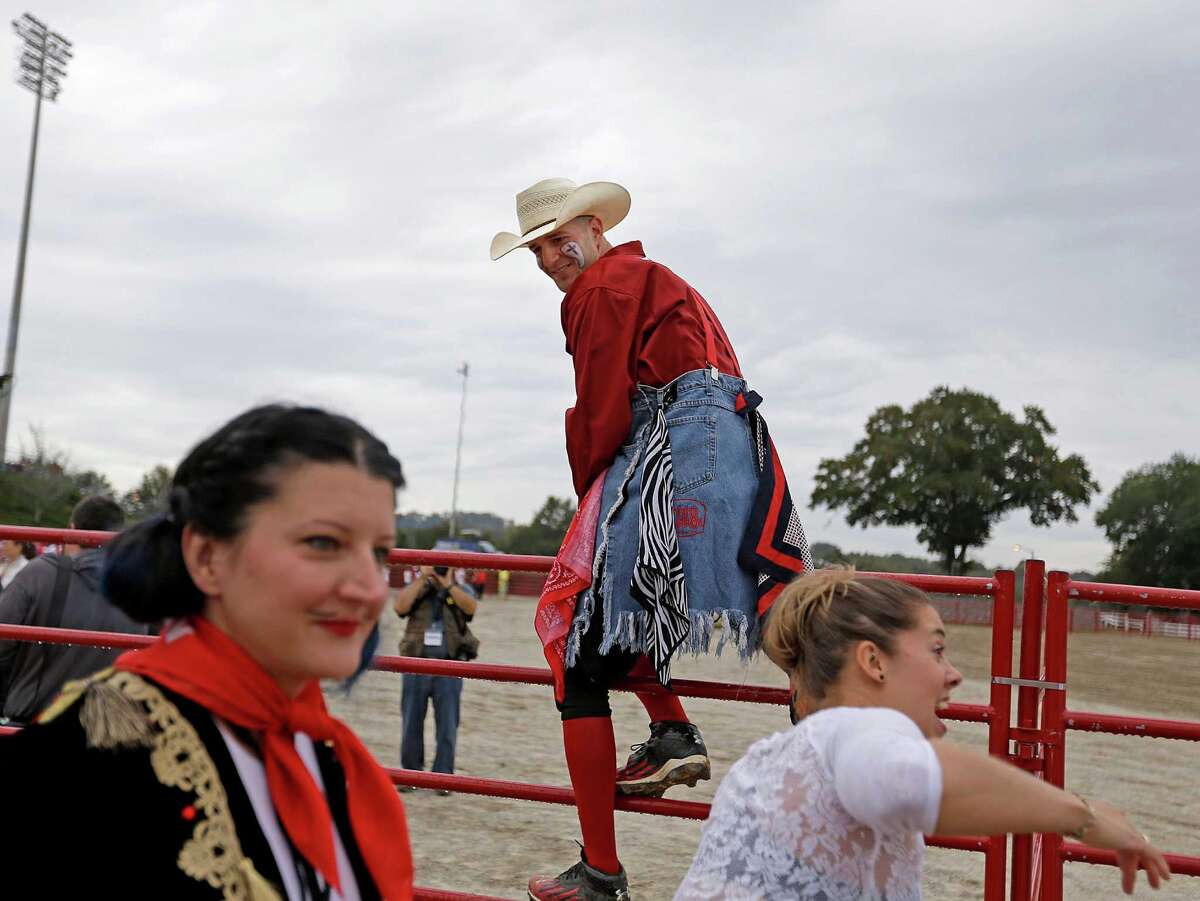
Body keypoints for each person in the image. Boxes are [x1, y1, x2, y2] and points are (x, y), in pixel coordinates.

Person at [491, 178, 813, 899]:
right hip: (732, 450)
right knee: (733, 606)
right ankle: (704, 734)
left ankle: (602, 869)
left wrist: (588, 490)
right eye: (536, 250)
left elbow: (603, 410)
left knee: (578, 641)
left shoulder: (601, 291)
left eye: (555, 239)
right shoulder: (658, 280)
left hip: (670, 453)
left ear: (595, 224)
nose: (548, 259)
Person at [0, 405, 414, 900]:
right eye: (324, 542)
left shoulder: (325, 751)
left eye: (380, 553)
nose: (370, 589)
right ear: (207, 557)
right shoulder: (83, 763)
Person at [674, 569, 1172, 899]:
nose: (952, 674)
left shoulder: (774, 756)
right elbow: (907, 780)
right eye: (936, 650)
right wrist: (1081, 817)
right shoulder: (850, 730)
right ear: (872, 661)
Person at [0, 496, 152, 724]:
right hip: (105, 733)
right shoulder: (141, 587)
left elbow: (3, 642)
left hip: (33, 724)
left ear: (72, 530)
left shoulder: (41, 573)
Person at [393, 564, 479, 787]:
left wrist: (448, 584)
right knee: (411, 721)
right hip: (416, 663)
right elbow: (400, 607)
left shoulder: (460, 589)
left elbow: (470, 609)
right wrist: (423, 578)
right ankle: (410, 775)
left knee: (448, 724)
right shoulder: (417, 588)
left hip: (450, 665)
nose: (439, 569)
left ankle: (443, 777)